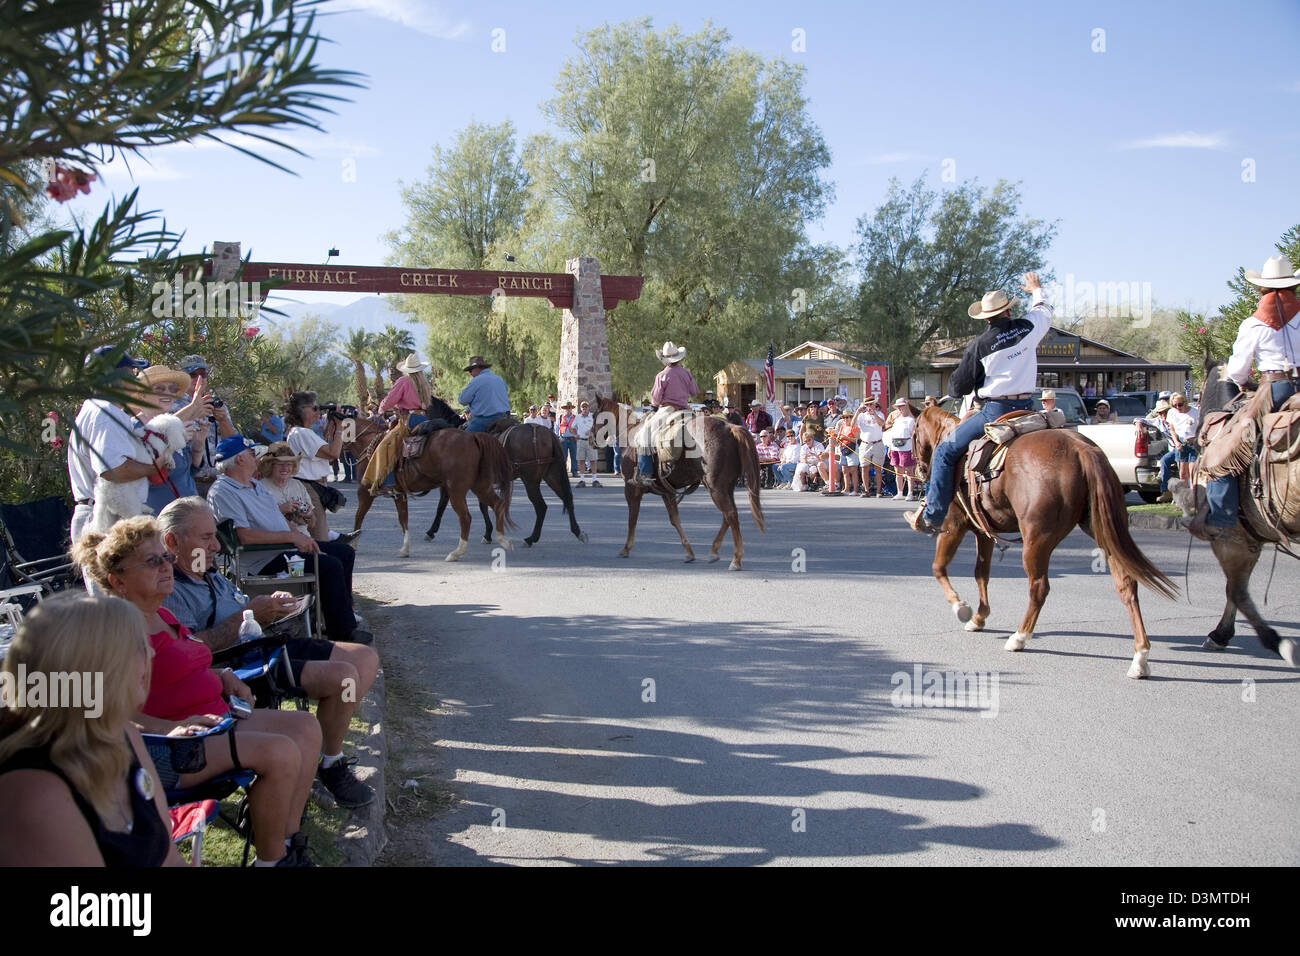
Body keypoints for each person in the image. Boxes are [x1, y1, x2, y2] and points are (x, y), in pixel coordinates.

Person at [71, 517, 322, 865]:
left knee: (306, 728)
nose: (166, 566)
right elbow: (100, 707)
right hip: (168, 748)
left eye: (166, 557)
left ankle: (285, 840)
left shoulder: (160, 614)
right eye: (152, 561)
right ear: (118, 581)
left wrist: (221, 676)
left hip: (211, 724)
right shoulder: (115, 630)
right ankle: (272, 860)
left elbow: (181, 667)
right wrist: (167, 728)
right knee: (278, 751)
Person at [157, 498, 378, 808]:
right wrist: (247, 615)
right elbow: (190, 651)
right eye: (206, 538)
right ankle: (332, 762)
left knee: (364, 659)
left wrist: (271, 604)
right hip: (239, 665)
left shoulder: (205, 571)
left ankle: (326, 756)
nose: (217, 547)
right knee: (344, 678)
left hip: (264, 643)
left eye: (214, 536)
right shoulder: (170, 590)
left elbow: (239, 606)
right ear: (172, 541)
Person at [0, 593, 184, 866]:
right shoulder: (36, 793)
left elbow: (169, 858)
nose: (152, 653)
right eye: (136, 646)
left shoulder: (122, 735)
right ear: (97, 668)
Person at [907, 273, 1051, 535]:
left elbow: (958, 387)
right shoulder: (1029, 327)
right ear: (1008, 310)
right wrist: (1036, 289)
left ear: (985, 317)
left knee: (944, 452)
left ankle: (934, 515)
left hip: (995, 411)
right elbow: (1044, 310)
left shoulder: (979, 345)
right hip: (1028, 408)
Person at [206, 436, 373, 645]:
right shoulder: (224, 491)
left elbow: (277, 520)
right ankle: (342, 632)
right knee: (330, 566)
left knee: (344, 552)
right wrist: (291, 537)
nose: (256, 458)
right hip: (260, 559)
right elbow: (244, 536)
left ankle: (338, 615)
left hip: (282, 548)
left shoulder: (253, 485)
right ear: (239, 459)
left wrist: (299, 536)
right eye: (251, 454)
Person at [1185, 255, 1300, 539]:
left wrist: (1243, 381)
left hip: (1275, 390)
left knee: (1226, 444)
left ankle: (1222, 517)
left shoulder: (1254, 324)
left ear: (1262, 290)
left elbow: (1236, 371)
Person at [362, 353, 432, 495]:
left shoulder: (404, 381)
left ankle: (388, 483)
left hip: (409, 420)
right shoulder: (424, 382)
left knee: (386, 446)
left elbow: (390, 400)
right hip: (424, 418)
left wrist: (381, 409)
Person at [636, 341, 699, 486]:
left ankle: (646, 473)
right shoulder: (686, 373)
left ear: (665, 359)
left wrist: (654, 406)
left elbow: (656, 398)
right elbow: (694, 391)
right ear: (678, 357)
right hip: (685, 409)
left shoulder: (662, 375)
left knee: (644, 435)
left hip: (667, 410)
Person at [459, 355, 511, 432]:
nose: (470, 374)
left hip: (485, 420)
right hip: (505, 417)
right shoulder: (499, 379)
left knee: (463, 439)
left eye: (470, 371)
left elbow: (462, 400)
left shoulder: (476, 381)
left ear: (476, 368)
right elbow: (506, 391)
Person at [885, 399, 919, 500]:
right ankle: (900, 492)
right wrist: (890, 447)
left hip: (907, 446)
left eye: (902, 406)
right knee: (897, 470)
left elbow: (914, 436)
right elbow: (892, 434)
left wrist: (914, 449)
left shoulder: (911, 420)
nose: (900, 409)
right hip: (896, 446)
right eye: (898, 407)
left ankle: (910, 492)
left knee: (909, 470)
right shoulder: (896, 420)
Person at [855, 397, 886, 497]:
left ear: (874, 405)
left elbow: (882, 423)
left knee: (878, 468)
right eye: (867, 405)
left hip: (877, 443)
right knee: (864, 467)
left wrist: (874, 414)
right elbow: (853, 425)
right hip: (865, 444)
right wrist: (857, 411)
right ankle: (866, 490)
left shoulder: (880, 414)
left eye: (871, 404)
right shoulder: (861, 416)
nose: (869, 407)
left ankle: (879, 491)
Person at [574, 400, 600, 487]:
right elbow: (572, 427)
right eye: (583, 407)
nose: (584, 408)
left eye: (586, 407)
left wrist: (591, 431)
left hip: (591, 440)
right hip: (581, 440)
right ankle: (582, 480)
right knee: (581, 460)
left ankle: (594, 479)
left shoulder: (592, 416)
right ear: (581, 408)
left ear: (588, 408)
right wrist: (575, 434)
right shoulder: (578, 417)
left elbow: (598, 427)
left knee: (593, 460)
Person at [556, 402, 579, 477]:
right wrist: (558, 437)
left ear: (571, 409)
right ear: (565, 409)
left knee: (574, 456)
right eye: (567, 408)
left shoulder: (575, 417)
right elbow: (557, 428)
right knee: (563, 457)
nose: (568, 409)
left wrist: (577, 436)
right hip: (563, 439)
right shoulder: (560, 417)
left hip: (572, 439)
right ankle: (562, 472)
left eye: (569, 407)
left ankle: (574, 471)